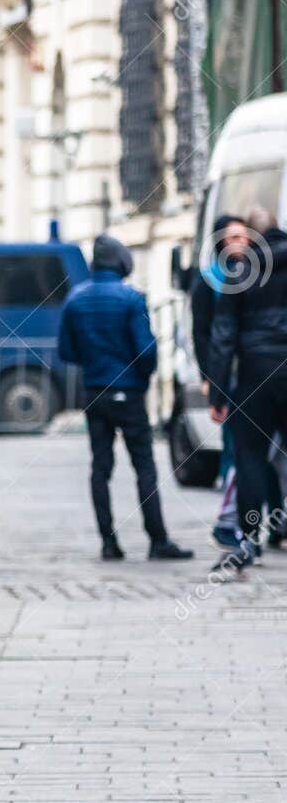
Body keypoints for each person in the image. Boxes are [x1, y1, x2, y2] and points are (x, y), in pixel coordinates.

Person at [58, 234, 193, 562]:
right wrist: (142, 377)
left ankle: (108, 541)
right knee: (144, 465)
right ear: (121, 261)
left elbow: (66, 350)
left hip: (95, 391)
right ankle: (157, 540)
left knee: (100, 466)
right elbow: (146, 349)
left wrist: (94, 366)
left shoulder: (75, 299)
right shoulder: (131, 299)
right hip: (129, 392)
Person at [193, 215, 285, 554]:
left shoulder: (240, 274)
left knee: (250, 459)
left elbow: (222, 337)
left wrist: (217, 392)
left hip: (254, 378)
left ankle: (248, 540)